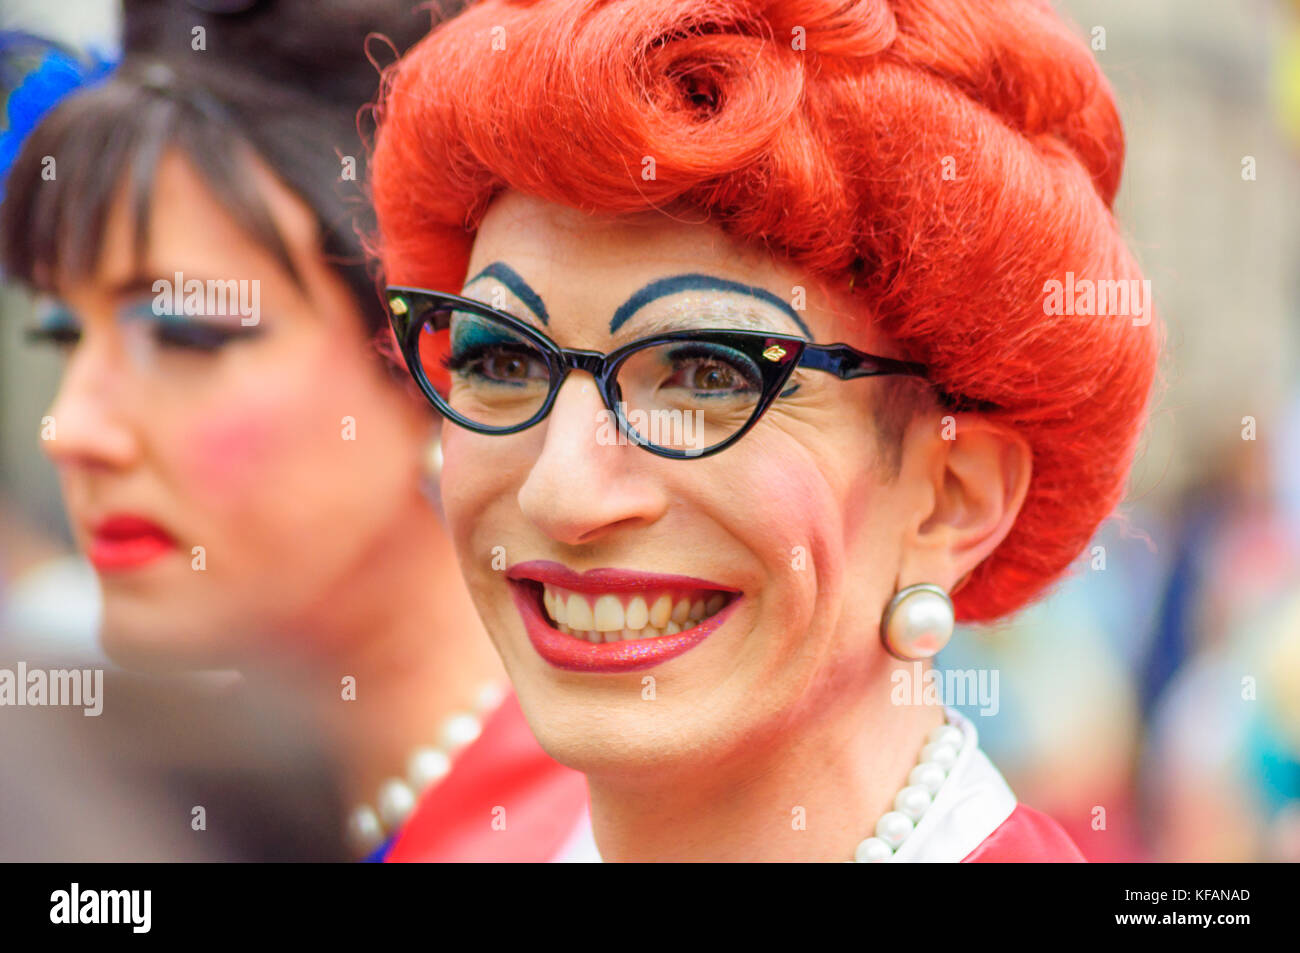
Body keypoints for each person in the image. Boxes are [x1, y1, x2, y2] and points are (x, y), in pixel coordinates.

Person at [370, 0, 1161, 861]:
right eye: (503, 361)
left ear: (951, 498)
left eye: (710, 373)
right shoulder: (460, 836)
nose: (563, 492)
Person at [0, 0, 588, 861]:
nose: (71, 430)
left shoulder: (613, 828)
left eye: (183, 334)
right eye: (65, 337)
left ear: (434, 365)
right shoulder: (117, 790)